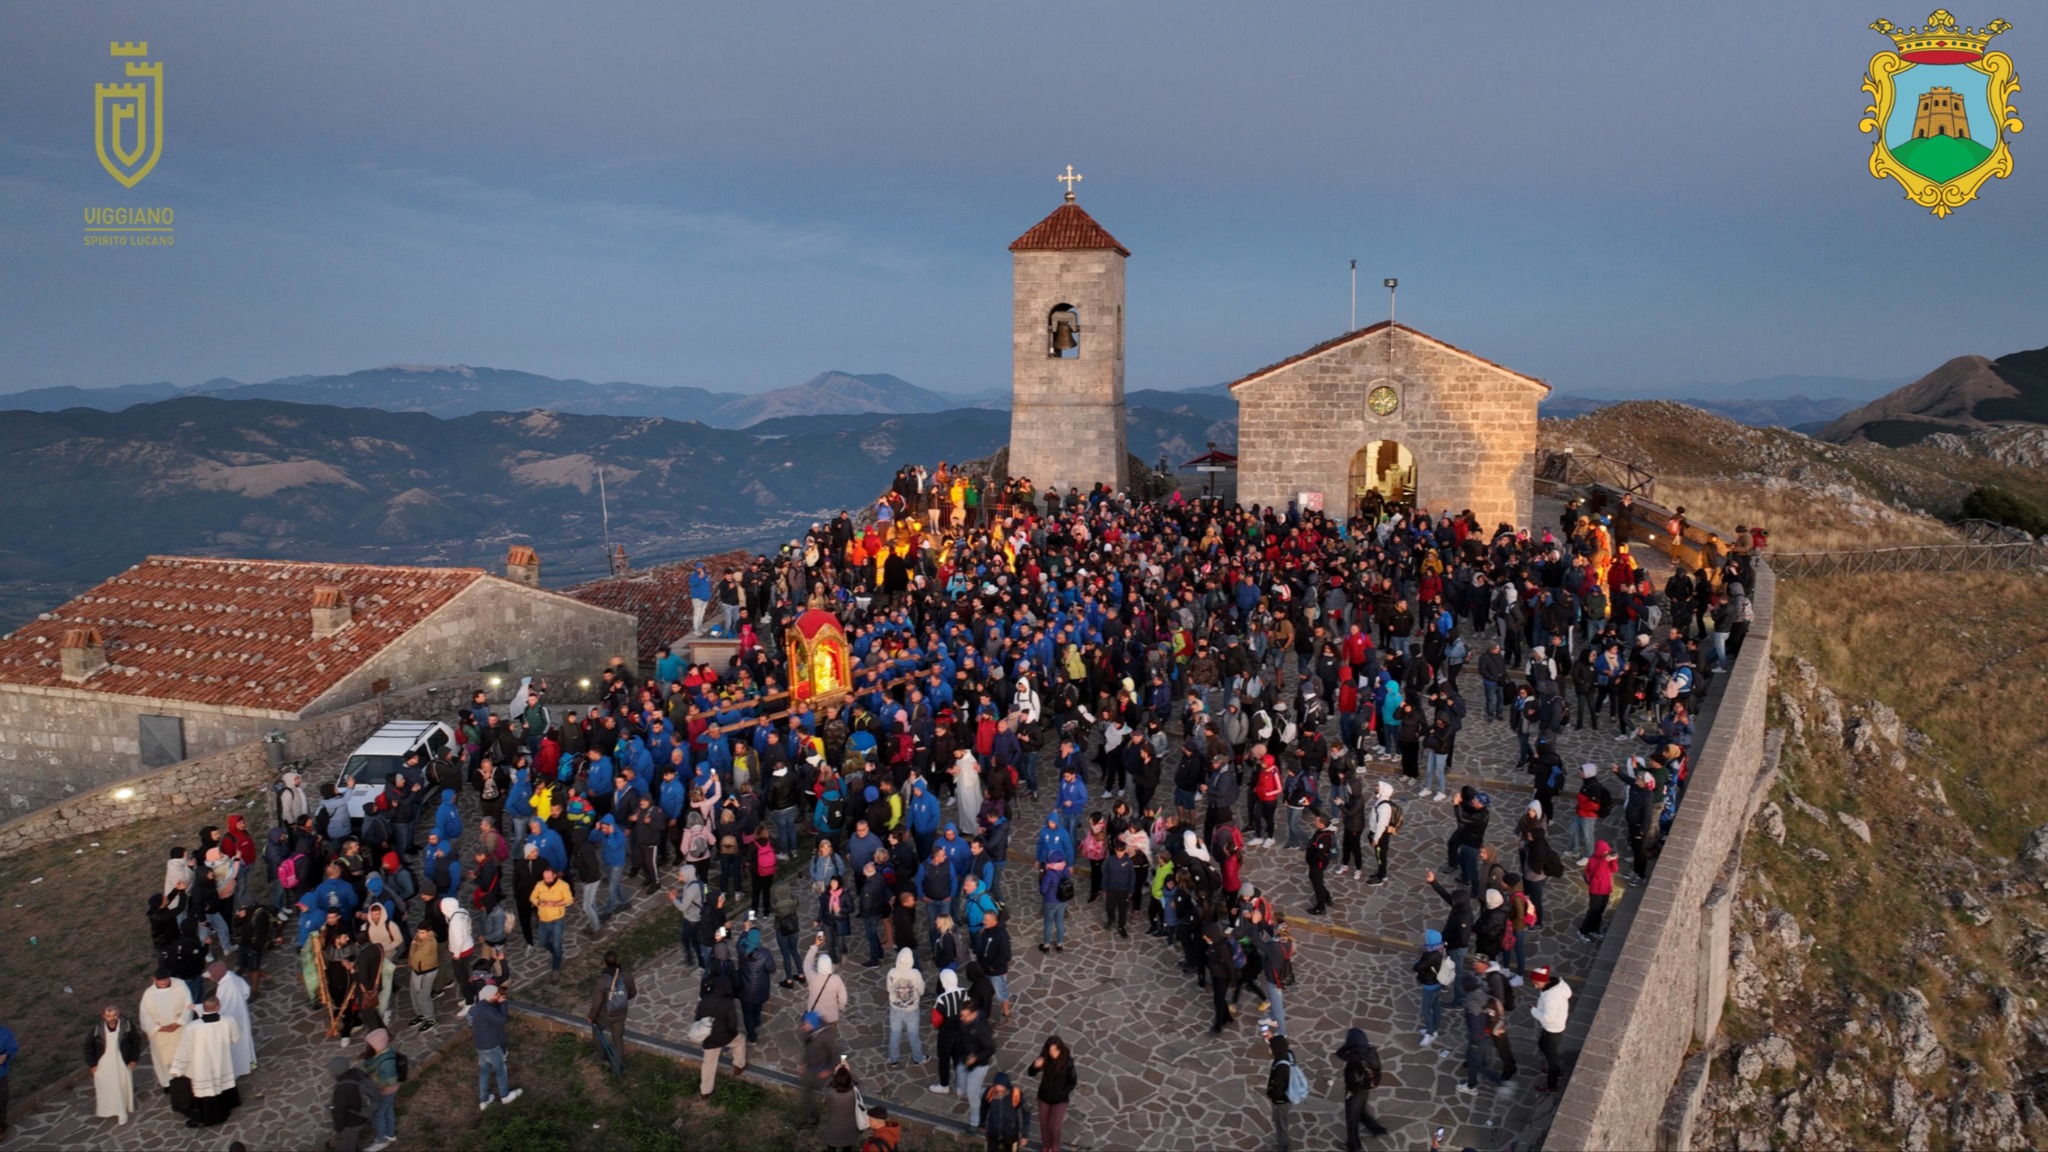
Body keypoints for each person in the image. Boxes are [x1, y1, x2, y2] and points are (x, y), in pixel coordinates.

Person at [168, 995, 241, 1128]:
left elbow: (184, 1050)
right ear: (218, 1007)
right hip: (221, 1060)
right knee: (221, 1084)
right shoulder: (229, 1021)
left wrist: (178, 1069)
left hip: (202, 1064)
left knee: (206, 1090)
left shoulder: (192, 1028)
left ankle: (208, 1118)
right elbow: (235, 1038)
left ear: (203, 1008)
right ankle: (226, 1108)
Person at [85, 1004, 142, 1126]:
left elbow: (136, 1042)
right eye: (109, 1016)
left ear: (119, 1014)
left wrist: (133, 1059)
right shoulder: (97, 1029)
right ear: (104, 1016)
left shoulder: (127, 1025)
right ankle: (109, 1109)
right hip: (104, 1062)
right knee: (108, 1087)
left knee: (121, 1085)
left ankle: (122, 1111)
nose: (112, 1018)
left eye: (115, 1015)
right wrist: (92, 1064)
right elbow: (88, 1046)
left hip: (121, 1060)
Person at [470, 983, 522, 1110]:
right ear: (490, 996)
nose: (498, 996)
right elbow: (502, 1020)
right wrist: (503, 1003)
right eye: (496, 994)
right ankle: (505, 1096)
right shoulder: (488, 1010)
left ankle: (484, 1100)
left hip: (480, 1046)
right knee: (500, 1070)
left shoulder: (479, 1007)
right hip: (491, 1046)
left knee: (484, 1072)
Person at [1334, 1026, 1388, 1148]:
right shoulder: (1371, 1051)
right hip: (1365, 1087)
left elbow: (1339, 1053)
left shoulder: (1354, 1058)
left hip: (1355, 1090)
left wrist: (1347, 1045)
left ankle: (1353, 1144)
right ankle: (1376, 1129)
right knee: (1361, 1110)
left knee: (1351, 1117)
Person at [139, 968, 193, 1090]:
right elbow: (144, 1015)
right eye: (160, 980)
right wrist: (159, 1028)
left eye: (165, 979)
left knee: (183, 1053)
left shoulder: (180, 985)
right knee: (163, 1058)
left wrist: (179, 1022)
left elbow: (188, 1005)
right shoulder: (149, 994)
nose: (163, 982)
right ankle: (168, 1082)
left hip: (179, 1029)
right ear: (154, 980)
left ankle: (188, 1076)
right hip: (160, 1033)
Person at [588, 951, 638, 1080]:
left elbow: (596, 1002)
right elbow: (633, 993)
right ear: (618, 960)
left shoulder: (602, 980)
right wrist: (620, 1001)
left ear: (604, 962)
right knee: (618, 1040)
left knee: (597, 1029)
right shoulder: (627, 975)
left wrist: (592, 1016)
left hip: (605, 1015)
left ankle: (600, 1054)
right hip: (620, 1014)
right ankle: (617, 1070)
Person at [693, 975, 745, 1096]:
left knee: (708, 1064)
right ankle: (739, 1065)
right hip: (725, 1036)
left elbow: (697, 1017)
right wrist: (732, 1033)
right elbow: (732, 1022)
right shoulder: (727, 1002)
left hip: (709, 1038)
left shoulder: (704, 999)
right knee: (740, 1040)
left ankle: (705, 1091)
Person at [1025, 1034, 1077, 1152]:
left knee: (1054, 1126)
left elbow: (1072, 1081)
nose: (1052, 1053)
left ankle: (1055, 1147)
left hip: (1060, 1099)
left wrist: (1063, 1093)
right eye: (1050, 1050)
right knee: (1044, 1124)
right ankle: (1046, 1145)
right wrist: (1035, 1065)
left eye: (1055, 1050)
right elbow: (1031, 1073)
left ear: (1060, 1049)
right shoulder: (1044, 1058)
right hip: (1044, 1096)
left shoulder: (1067, 1062)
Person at [1529, 965, 1573, 1094]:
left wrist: (1533, 1010)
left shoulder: (1551, 997)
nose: (1534, 986)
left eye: (1535, 983)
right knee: (1543, 1046)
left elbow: (1548, 1018)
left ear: (1542, 981)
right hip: (1551, 1028)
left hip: (1552, 1029)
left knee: (1551, 1056)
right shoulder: (1554, 988)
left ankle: (1551, 1085)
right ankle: (1556, 1070)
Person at [955, 1000, 997, 1126]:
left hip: (979, 1065)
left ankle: (975, 1122)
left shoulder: (982, 1028)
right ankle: (987, 1092)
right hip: (963, 1060)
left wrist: (976, 1057)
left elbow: (990, 1049)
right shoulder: (963, 1023)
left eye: (965, 1015)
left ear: (973, 1014)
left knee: (972, 1095)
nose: (962, 1018)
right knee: (963, 1090)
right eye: (961, 1015)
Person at [885, 948, 927, 1067]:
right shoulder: (915, 974)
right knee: (913, 1034)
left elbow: (889, 989)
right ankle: (917, 1058)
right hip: (911, 1009)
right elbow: (921, 991)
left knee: (895, 1033)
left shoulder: (892, 972)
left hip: (895, 1008)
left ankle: (893, 1058)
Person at [362, 1026, 400, 1150]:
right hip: (389, 1090)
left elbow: (389, 1080)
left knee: (378, 1114)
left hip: (386, 1091)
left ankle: (381, 1138)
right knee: (387, 1109)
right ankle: (390, 1133)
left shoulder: (386, 1059)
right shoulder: (384, 1053)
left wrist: (376, 1086)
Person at [328, 1054, 376, 1152]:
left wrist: (338, 1129)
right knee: (353, 1141)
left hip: (351, 1123)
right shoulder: (357, 1072)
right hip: (362, 1115)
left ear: (335, 1072)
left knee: (345, 1146)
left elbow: (340, 1112)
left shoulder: (343, 1089)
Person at [530, 865, 573, 973]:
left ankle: (556, 968)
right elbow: (532, 897)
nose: (547, 880)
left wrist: (555, 903)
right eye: (545, 878)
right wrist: (538, 902)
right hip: (543, 920)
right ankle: (557, 954)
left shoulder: (563, 885)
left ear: (554, 875)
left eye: (549, 878)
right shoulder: (539, 885)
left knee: (556, 944)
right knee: (543, 942)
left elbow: (569, 900)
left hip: (557, 920)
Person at [1263, 1029, 1298, 1152]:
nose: (1269, 1050)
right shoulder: (1288, 1054)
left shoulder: (1280, 1067)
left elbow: (1278, 1090)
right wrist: (1272, 1039)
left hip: (1281, 1101)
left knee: (1281, 1123)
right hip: (1287, 1097)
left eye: (1271, 1048)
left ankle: (1283, 1145)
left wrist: (1272, 1096)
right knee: (1280, 1121)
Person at [1580, 840, 1621, 941]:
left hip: (1605, 889)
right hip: (1596, 890)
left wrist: (1614, 860)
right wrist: (1605, 861)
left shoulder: (1607, 859)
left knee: (1600, 911)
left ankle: (1594, 929)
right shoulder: (1593, 861)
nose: (1607, 854)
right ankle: (1583, 931)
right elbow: (1597, 874)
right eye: (1605, 852)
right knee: (1593, 911)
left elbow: (1614, 869)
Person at [822, 1062, 864, 1152]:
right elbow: (860, 1083)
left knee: (831, 1147)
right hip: (850, 1127)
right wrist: (848, 1073)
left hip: (834, 1127)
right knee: (847, 1147)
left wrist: (835, 1074)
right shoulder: (854, 1092)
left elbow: (825, 1087)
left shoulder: (830, 1093)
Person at [1304, 814, 1335, 915]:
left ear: (1322, 824)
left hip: (1317, 864)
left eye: (1317, 821)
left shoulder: (1324, 838)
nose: (1314, 822)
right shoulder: (1322, 831)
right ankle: (1326, 897)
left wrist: (1311, 860)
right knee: (1317, 881)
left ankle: (1320, 907)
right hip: (1316, 863)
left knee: (1317, 884)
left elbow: (1320, 855)